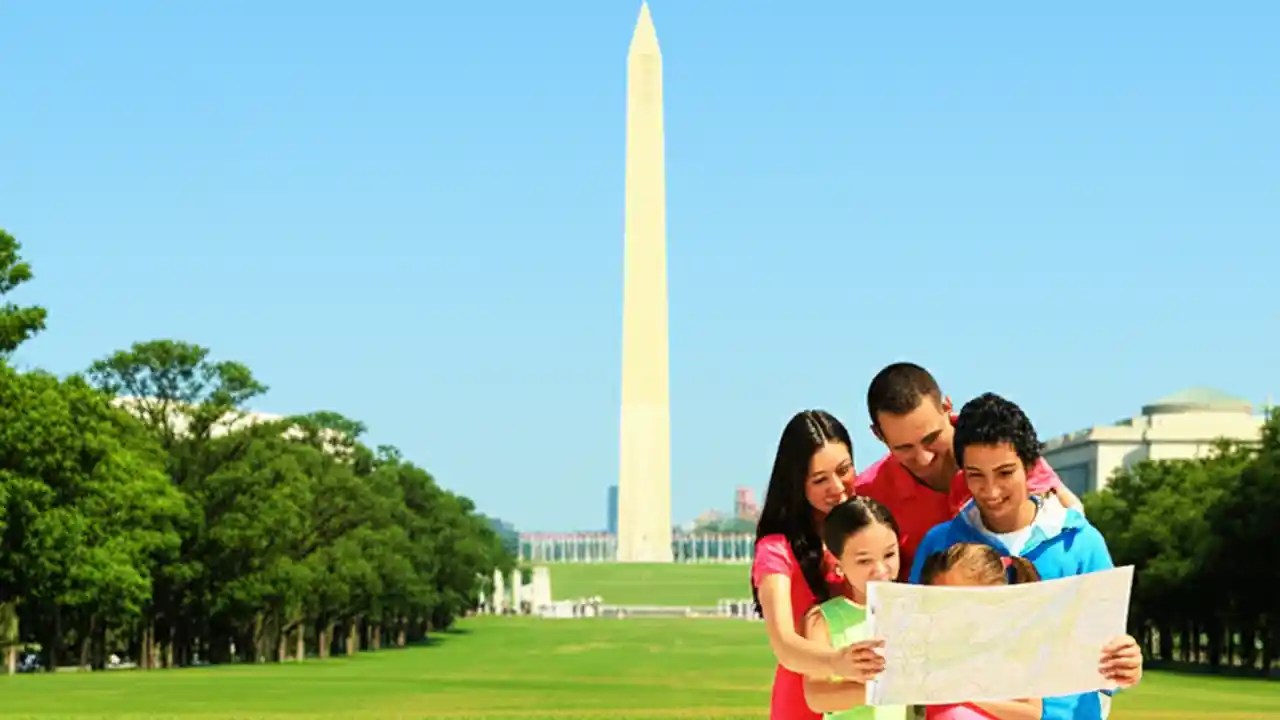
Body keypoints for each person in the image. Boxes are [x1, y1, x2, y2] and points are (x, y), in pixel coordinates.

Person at [908, 393, 1144, 719]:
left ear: (1031, 466)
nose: (991, 490)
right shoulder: (940, 545)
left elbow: (1108, 660)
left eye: (1005, 473)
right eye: (976, 475)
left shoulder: (1080, 543)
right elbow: (912, 650)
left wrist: (1127, 665)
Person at [854, 362, 1082, 579]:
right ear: (878, 434)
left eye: (931, 438)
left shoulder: (995, 438)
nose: (924, 459)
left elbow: (1070, 513)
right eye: (904, 448)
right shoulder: (868, 494)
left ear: (946, 407)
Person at [752, 410, 886, 720]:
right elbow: (784, 644)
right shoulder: (776, 550)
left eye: (844, 470)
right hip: (803, 701)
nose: (837, 487)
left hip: (870, 699)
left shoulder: (867, 525)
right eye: (820, 479)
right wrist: (838, 662)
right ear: (797, 483)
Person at [800, 497, 907, 720]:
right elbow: (817, 696)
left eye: (889, 555)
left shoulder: (912, 610)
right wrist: (881, 689)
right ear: (837, 564)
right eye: (864, 561)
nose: (881, 570)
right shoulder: (824, 619)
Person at [917, 542, 1048, 720]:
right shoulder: (929, 651)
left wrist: (968, 696)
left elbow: (1031, 714)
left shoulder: (1009, 652)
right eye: (940, 602)